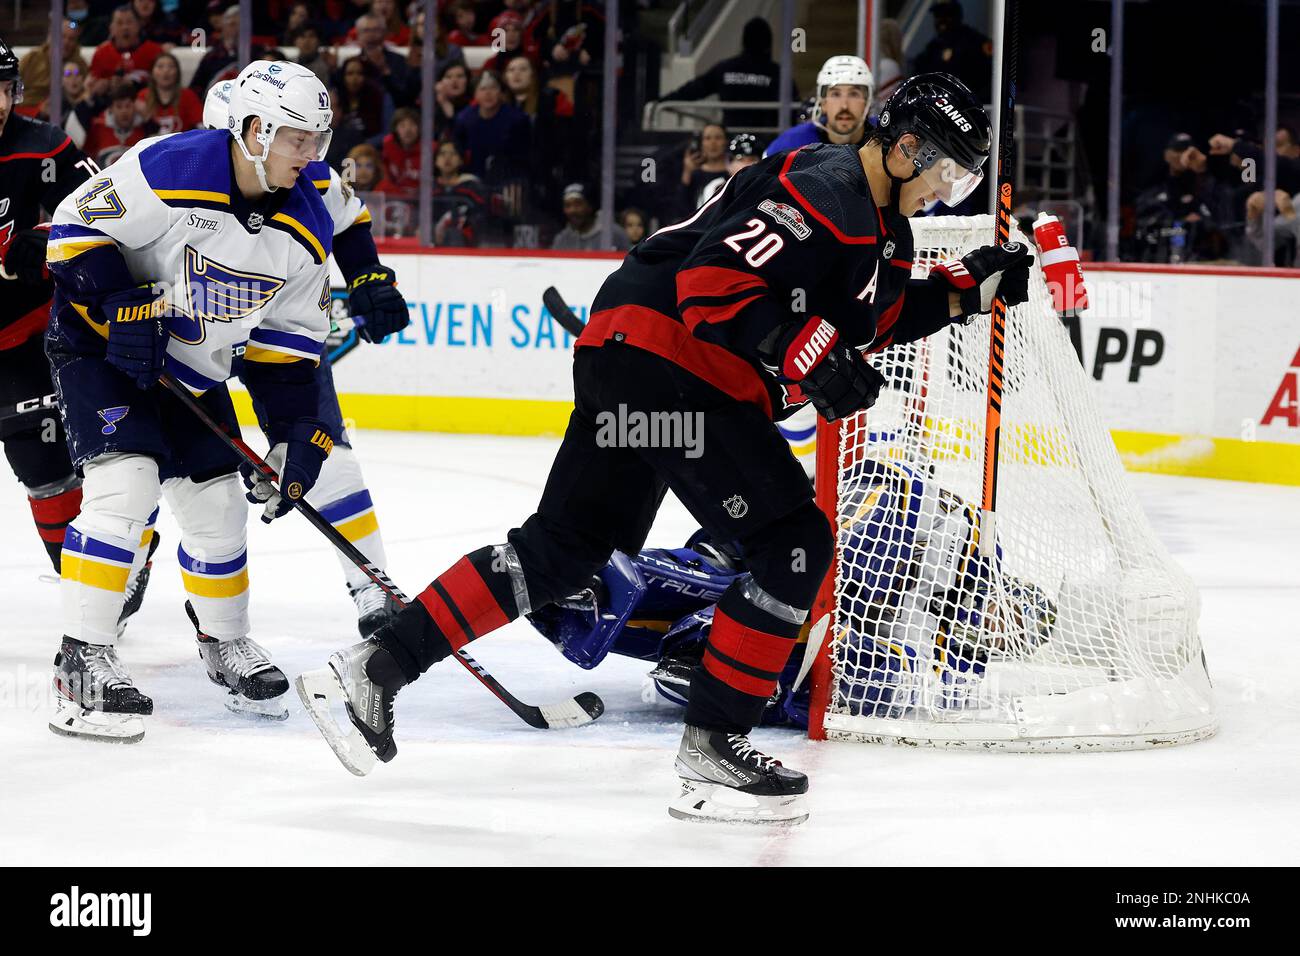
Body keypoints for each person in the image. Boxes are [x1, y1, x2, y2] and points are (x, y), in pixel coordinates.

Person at [299, 73, 1031, 825]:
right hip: (671, 368)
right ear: (905, 148)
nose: (947, 190)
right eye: (945, 169)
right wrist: (802, 346)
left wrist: (962, 294)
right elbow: (713, 282)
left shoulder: (877, 226)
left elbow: (870, 316)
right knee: (792, 543)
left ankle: (376, 666)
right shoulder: (831, 185)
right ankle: (715, 745)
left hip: (636, 365)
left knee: (563, 550)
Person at [44, 60, 339, 743]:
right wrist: (120, 305)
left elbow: (287, 348)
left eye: (316, 139)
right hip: (99, 349)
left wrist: (298, 434)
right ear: (257, 130)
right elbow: (72, 229)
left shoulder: (307, 225)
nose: (311, 154)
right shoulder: (171, 166)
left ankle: (225, 644)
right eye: (299, 138)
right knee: (125, 488)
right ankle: (80, 659)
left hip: (193, 371)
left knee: (218, 504)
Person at [528, 459, 1057, 729]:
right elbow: (894, 486)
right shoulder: (972, 546)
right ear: (1012, 590)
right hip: (800, 551)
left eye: (1015, 633)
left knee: (801, 641)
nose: (1001, 622)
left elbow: (903, 686)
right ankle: (577, 579)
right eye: (1014, 609)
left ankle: (694, 655)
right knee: (725, 568)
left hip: (799, 611)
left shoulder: (959, 664)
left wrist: (861, 639)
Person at [203, 76, 411, 636]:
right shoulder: (183, 188)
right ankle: (127, 572)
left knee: (327, 449)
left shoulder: (309, 175)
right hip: (194, 333)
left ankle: (372, 585)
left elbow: (347, 217)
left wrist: (368, 275)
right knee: (165, 464)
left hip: (280, 330)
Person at [0, 38, 97, 576]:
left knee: (44, 465)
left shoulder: (45, 146)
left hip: (24, 336)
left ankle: (91, 581)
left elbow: (105, 209)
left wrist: (48, 235)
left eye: (2, 90)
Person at [658, 17, 793, 130]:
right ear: (768, 42)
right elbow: (793, 106)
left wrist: (664, 100)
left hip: (729, 138)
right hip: (767, 140)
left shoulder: (725, 68)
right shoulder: (778, 73)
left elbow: (694, 89)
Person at [764, 55, 874, 157]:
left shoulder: (887, 137)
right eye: (835, 94)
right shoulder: (792, 142)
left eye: (854, 94)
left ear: (867, 102)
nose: (844, 105)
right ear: (823, 103)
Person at [451, 70, 530, 183]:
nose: (488, 93)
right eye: (482, 89)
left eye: (493, 88)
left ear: (501, 92)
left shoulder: (517, 120)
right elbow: (459, 151)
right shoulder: (464, 119)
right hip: (473, 178)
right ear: (475, 94)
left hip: (509, 179)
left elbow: (524, 157)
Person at [913, 1, 992, 103]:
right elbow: (920, 75)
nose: (941, 20)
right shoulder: (933, 48)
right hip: (940, 107)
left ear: (957, 16)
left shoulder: (975, 42)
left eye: (946, 15)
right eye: (938, 16)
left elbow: (986, 80)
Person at [89, 5, 162, 98]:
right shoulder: (101, 53)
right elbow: (93, 86)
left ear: (138, 26)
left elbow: (162, 84)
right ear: (111, 29)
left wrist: (137, 83)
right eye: (119, 23)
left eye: (129, 22)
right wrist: (106, 84)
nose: (125, 27)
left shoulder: (154, 51)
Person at [353, 12, 417, 109]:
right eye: (366, 30)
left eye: (375, 30)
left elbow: (405, 97)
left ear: (384, 33)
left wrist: (385, 71)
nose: (371, 35)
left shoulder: (399, 61)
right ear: (358, 34)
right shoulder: (353, 63)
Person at [432, 139, 489, 247]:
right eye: (442, 154)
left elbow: (482, 218)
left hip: (466, 246)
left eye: (452, 154)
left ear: (461, 160)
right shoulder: (429, 188)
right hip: (432, 246)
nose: (447, 158)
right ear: (435, 160)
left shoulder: (472, 186)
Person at [82, 79, 149, 167]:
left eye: (128, 106)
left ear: (135, 106)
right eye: (119, 106)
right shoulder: (97, 129)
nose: (124, 111)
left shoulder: (145, 130)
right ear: (111, 109)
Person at [136, 52, 201, 135]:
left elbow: (200, 125)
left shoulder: (188, 96)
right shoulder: (143, 96)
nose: (166, 71)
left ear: (177, 72)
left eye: (171, 67)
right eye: (160, 67)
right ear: (152, 72)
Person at [551, 182, 627, 251]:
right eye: (567, 205)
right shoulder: (561, 240)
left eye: (578, 204)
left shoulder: (614, 234)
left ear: (590, 206)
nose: (572, 210)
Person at [698, 132, 761, 206]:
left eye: (752, 159)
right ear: (729, 163)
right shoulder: (715, 187)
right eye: (741, 159)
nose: (747, 165)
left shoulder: (768, 187)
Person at [679, 122, 729, 212]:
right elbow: (682, 208)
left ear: (726, 142)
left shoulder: (734, 173)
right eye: (707, 138)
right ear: (701, 143)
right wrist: (687, 172)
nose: (713, 143)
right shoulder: (695, 175)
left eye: (718, 138)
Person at [380, 106, 421, 197]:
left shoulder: (429, 149)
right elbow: (385, 178)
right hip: (395, 198)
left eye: (412, 125)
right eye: (402, 125)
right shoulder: (388, 146)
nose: (408, 130)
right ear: (395, 129)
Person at [291, 23, 333, 88]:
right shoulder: (289, 65)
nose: (307, 41)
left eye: (311, 36)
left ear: (319, 41)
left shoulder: (327, 66)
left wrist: (334, 70)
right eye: (302, 36)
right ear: (295, 41)